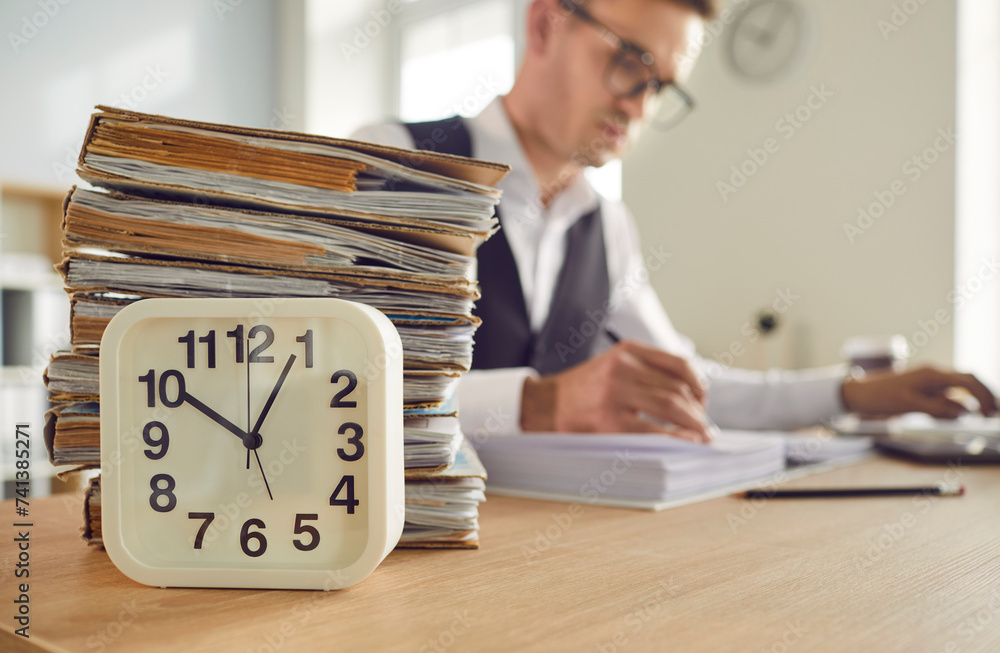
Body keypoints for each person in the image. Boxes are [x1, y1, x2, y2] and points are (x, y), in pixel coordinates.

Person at [353, 0, 997, 442]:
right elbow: (340, 383)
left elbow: (686, 384)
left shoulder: (605, 227)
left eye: (660, 86)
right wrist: (543, 403)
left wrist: (852, 394)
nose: (638, 105)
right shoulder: (396, 160)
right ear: (547, 22)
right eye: (630, 61)